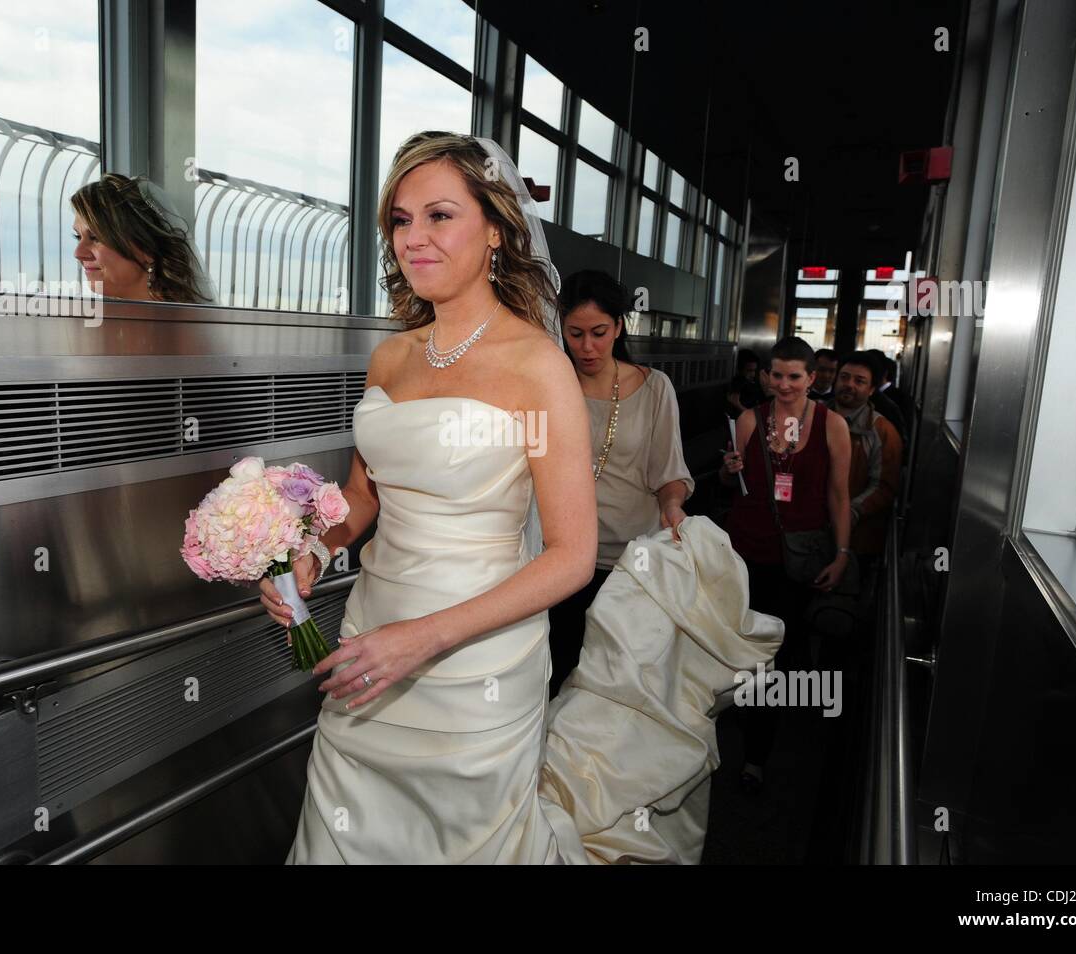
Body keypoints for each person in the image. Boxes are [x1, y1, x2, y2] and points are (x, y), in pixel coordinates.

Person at [259, 131, 778, 864]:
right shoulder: (391, 355)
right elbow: (360, 498)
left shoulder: (538, 366)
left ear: (496, 230)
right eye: (401, 221)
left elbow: (569, 557)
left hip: (476, 666)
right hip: (371, 643)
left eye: (440, 215)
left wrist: (430, 636)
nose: (414, 238)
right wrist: (311, 549)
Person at [548, 269, 694, 697]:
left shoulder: (654, 388)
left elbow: (669, 471)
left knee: (620, 678)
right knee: (561, 669)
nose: (586, 347)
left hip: (632, 560)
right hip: (562, 557)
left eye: (598, 332)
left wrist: (672, 506)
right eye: (575, 333)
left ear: (619, 327)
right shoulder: (551, 385)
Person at [719, 335, 852, 794]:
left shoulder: (832, 426)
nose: (784, 383)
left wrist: (842, 554)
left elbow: (839, 494)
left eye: (794, 376)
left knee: (776, 655)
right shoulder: (749, 420)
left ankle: (757, 754)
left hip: (795, 560)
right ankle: (731, 723)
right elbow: (731, 484)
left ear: (813, 379)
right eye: (776, 374)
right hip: (746, 552)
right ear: (765, 375)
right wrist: (727, 470)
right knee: (737, 646)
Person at [71, 173, 214, 303]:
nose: (78, 253)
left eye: (96, 237)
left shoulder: (175, 328)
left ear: (147, 249)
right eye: (78, 236)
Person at [831, 352, 902, 572]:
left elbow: (883, 487)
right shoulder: (815, 415)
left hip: (857, 539)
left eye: (859, 381)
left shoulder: (882, 431)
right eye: (844, 377)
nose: (849, 384)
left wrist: (847, 514)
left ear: (871, 390)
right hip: (808, 531)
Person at [727, 349, 764, 413]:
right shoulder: (738, 383)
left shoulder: (753, 382)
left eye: (754, 370)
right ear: (739, 370)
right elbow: (734, 402)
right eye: (749, 371)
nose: (753, 374)